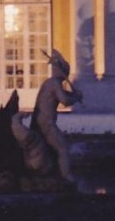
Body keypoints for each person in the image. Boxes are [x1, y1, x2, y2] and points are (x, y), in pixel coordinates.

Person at [32, 50, 82, 181]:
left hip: (42, 121)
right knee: (63, 148)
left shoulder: (51, 83)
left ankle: (57, 175)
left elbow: (63, 95)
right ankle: (67, 177)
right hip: (46, 123)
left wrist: (74, 95)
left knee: (55, 148)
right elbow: (64, 100)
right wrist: (76, 98)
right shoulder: (54, 83)